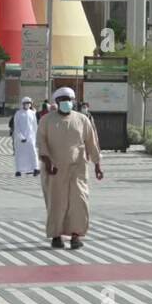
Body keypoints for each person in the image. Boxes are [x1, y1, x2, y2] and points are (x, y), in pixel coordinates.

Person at [36, 87, 103, 250]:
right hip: (54, 170)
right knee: (56, 202)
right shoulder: (46, 120)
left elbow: (92, 143)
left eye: (69, 100)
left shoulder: (82, 119)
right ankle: (56, 236)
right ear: (57, 102)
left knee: (79, 201)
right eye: (63, 100)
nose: (67, 103)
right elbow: (41, 143)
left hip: (78, 168)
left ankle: (75, 235)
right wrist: (47, 161)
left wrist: (97, 165)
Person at [13, 97, 40, 178]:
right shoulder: (18, 113)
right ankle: (19, 170)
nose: (27, 105)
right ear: (23, 104)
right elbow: (16, 127)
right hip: (21, 139)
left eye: (29, 103)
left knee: (33, 152)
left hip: (31, 137)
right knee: (20, 155)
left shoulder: (32, 113)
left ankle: (35, 168)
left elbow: (35, 126)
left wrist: (36, 136)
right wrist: (21, 137)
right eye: (26, 103)